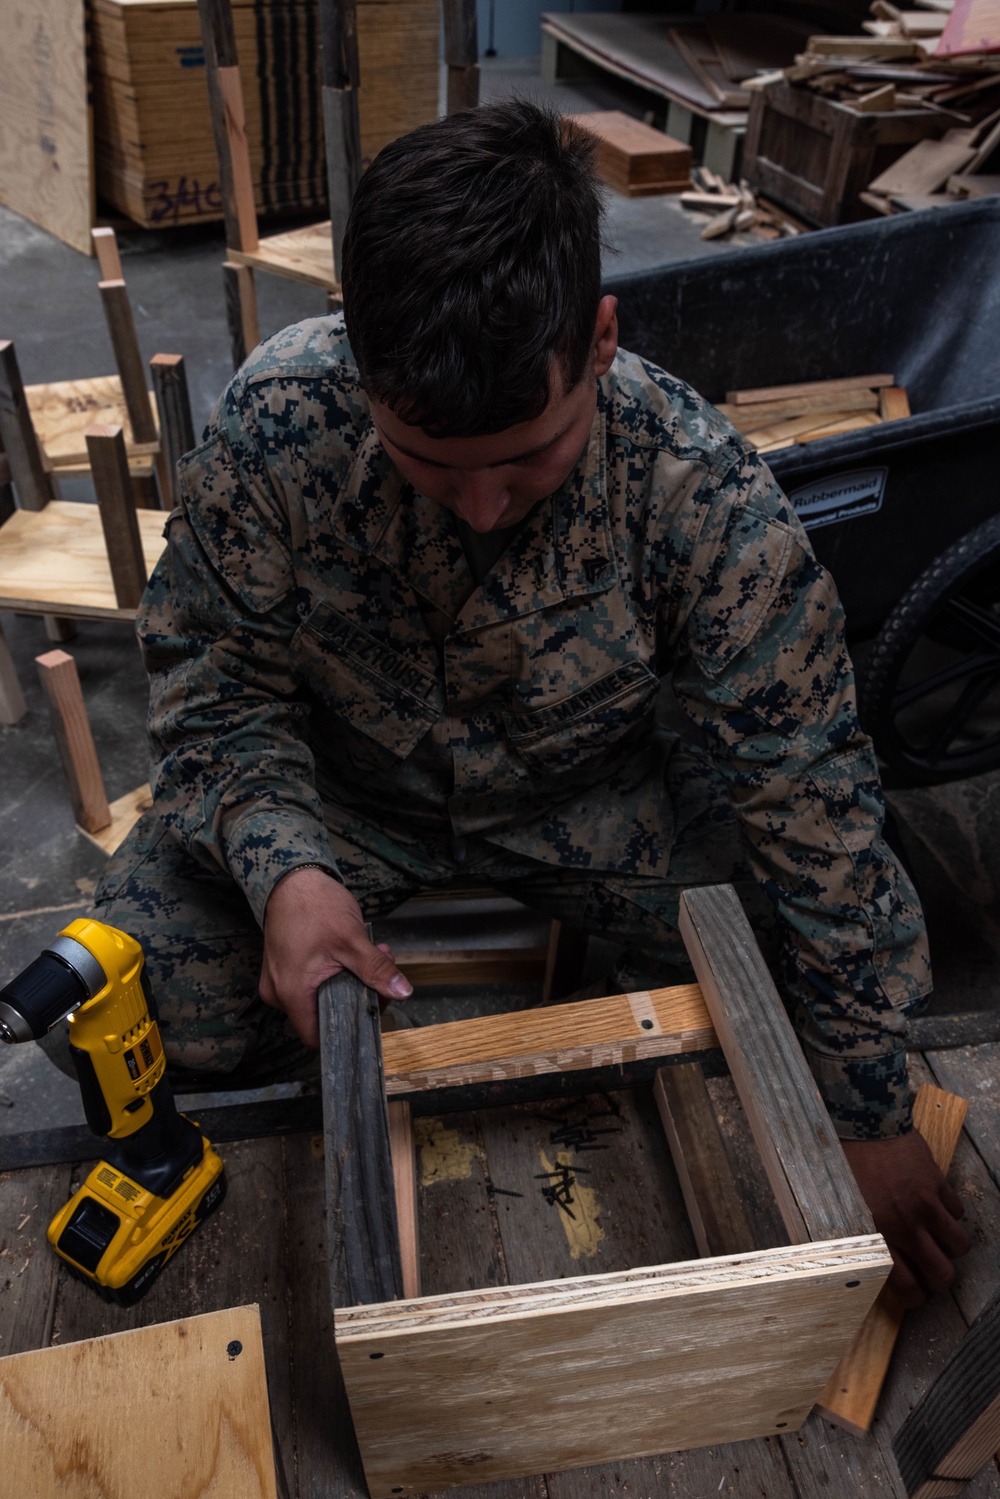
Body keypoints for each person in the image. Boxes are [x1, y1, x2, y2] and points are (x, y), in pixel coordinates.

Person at [74, 99, 965, 1304]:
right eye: (430, 464)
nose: (481, 506)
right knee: (157, 998)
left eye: (528, 458)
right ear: (359, 357)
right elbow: (210, 679)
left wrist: (866, 1107)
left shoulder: (696, 484)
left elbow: (809, 791)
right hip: (350, 796)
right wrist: (286, 868)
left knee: (810, 984)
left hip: (599, 795)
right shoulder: (280, 421)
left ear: (600, 339)